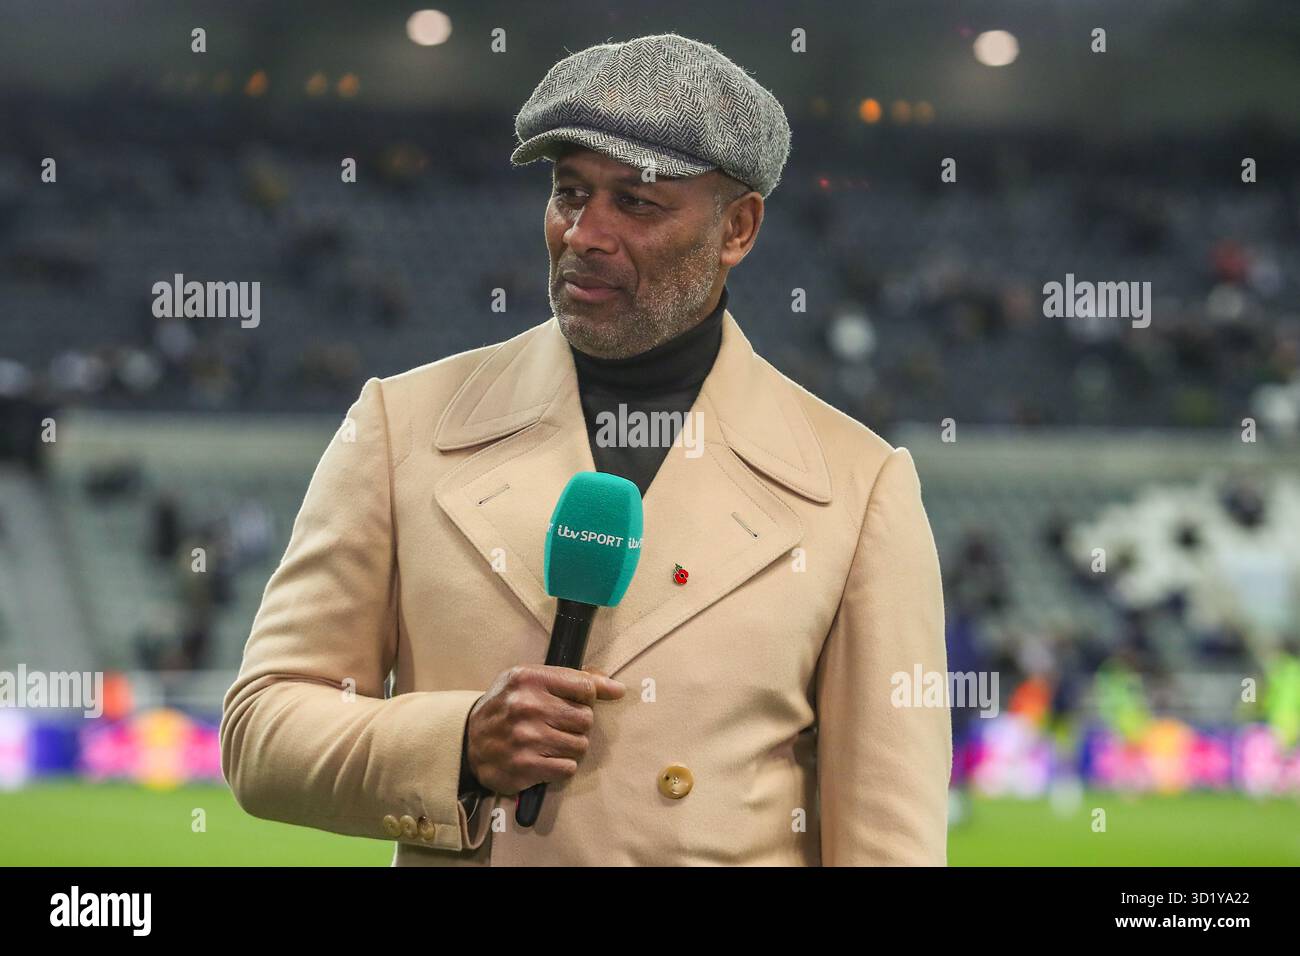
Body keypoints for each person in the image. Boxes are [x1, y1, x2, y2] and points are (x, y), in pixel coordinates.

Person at [220, 32, 950, 866]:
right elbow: (261, 732)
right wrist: (460, 745)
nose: (585, 234)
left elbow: (889, 843)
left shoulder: (860, 486)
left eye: (636, 203)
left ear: (738, 228)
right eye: (570, 193)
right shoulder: (401, 426)